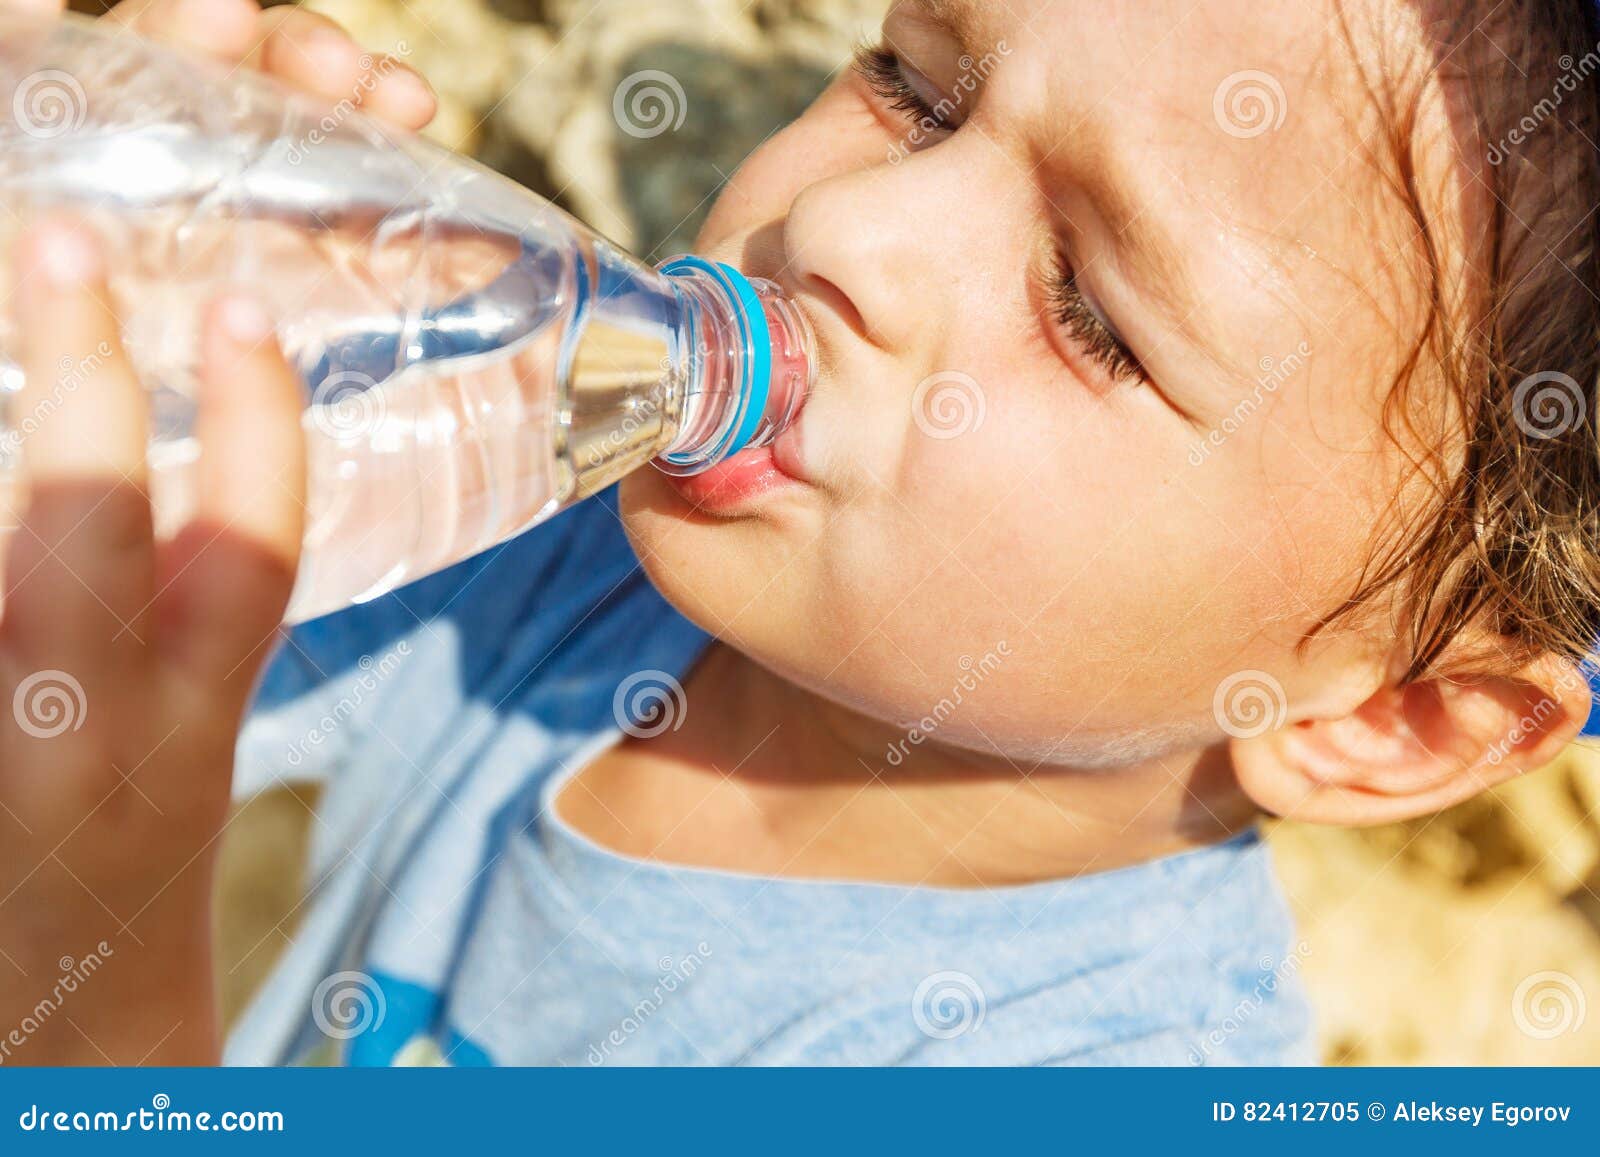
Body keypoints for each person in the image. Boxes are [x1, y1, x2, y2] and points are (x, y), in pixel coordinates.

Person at [1, 0, 1594, 1065]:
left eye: (1091, 314)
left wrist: (85, 999)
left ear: (1389, 716)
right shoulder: (590, 546)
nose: (845, 225)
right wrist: (142, 300)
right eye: (916, 86)